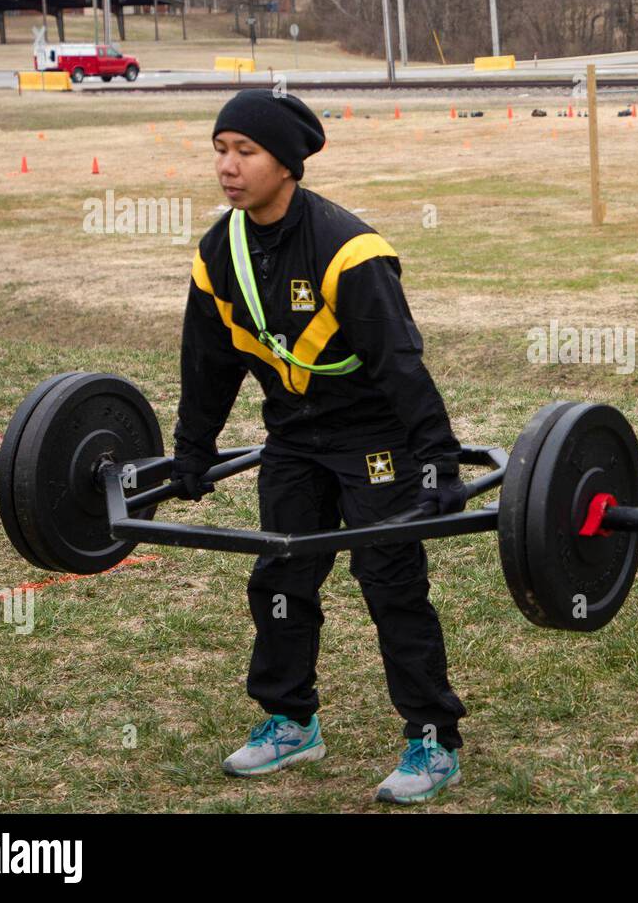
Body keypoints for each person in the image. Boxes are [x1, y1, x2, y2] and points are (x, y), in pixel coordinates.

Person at [173, 88, 469, 804]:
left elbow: (401, 361)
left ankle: (432, 737)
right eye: (221, 150)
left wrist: (437, 455)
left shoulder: (349, 249)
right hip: (294, 441)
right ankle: (290, 720)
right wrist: (191, 451)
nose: (228, 167)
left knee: (390, 581)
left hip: (375, 440)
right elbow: (207, 364)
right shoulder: (219, 252)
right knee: (280, 579)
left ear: (289, 164)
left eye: (246, 152)